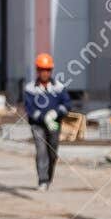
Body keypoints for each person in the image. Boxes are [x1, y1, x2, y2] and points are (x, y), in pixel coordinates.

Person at [22, 53, 70, 190]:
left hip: (54, 124)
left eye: (48, 70)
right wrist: (43, 117)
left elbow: (67, 104)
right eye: (42, 70)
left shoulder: (59, 87)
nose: (45, 73)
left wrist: (56, 113)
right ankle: (42, 180)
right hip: (37, 125)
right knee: (41, 150)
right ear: (38, 70)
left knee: (52, 152)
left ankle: (49, 177)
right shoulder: (30, 88)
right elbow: (29, 108)